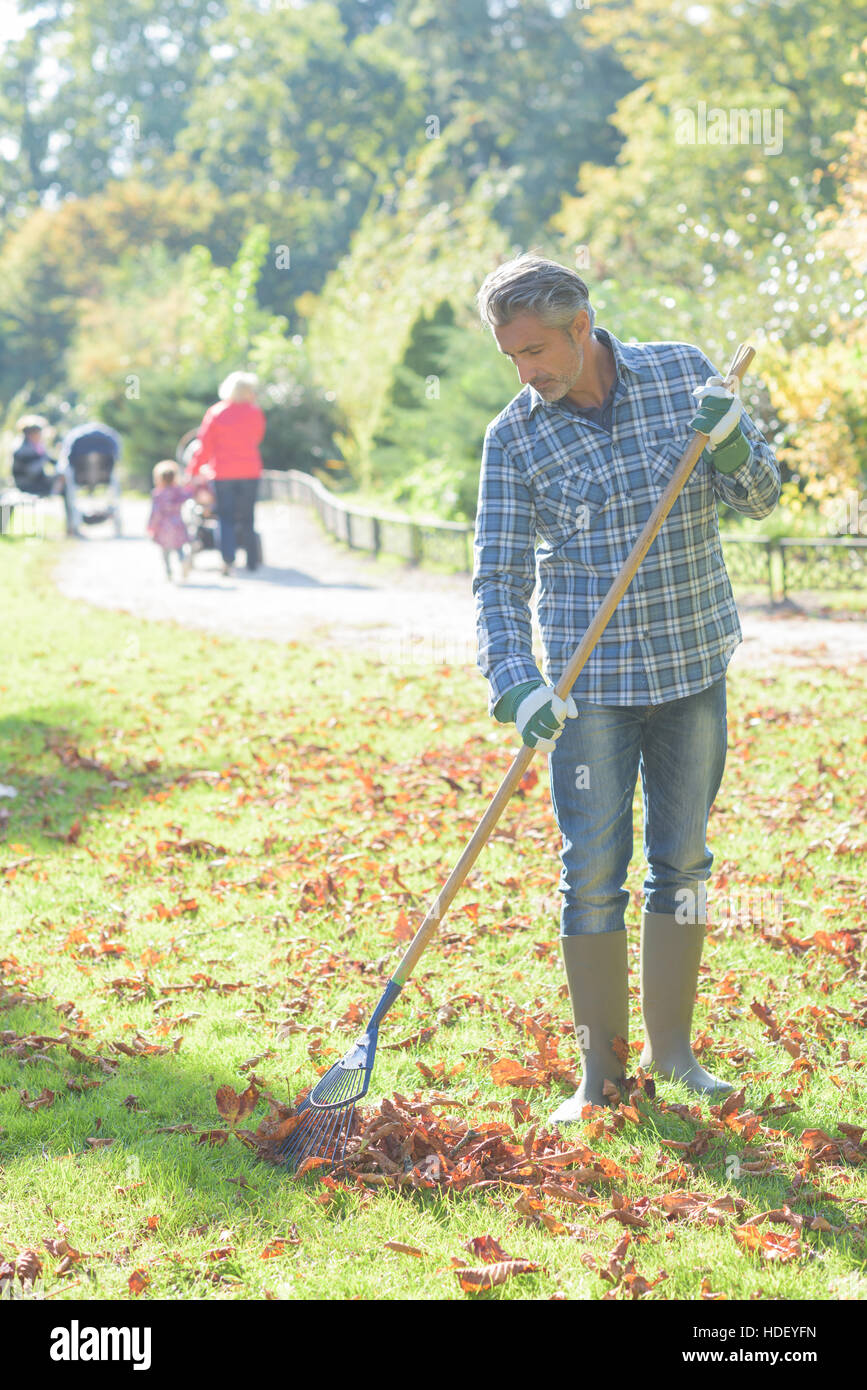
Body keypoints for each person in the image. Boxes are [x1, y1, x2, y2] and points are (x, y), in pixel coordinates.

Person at [472, 254, 781, 1124]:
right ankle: (600, 1080)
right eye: (511, 358)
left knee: (682, 861)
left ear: (580, 326)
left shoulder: (685, 374)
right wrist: (513, 681)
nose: (525, 372)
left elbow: (759, 498)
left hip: (691, 668)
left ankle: (674, 1055)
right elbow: (497, 581)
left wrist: (731, 440)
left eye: (535, 350)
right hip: (588, 689)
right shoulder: (515, 437)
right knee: (592, 874)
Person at [188, 371, 265, 576]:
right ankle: (251, 561)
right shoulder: (255, 412)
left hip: (223, 473)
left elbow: (204, 447)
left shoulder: (216, 412)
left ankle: (228, 559)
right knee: (248, 517)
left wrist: (193, 471)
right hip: (249, 471)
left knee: (225, 517)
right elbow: (257, 437)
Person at [57, 420, 123, 536]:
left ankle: (73, 525)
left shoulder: (76, 439)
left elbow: (66, 459)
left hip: (80, 476)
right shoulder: (108, 441)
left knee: (69, 491)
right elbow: (117, 458)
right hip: (104, 475)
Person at [147, 460, 195, 580]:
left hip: (163, 527)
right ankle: (183, 560)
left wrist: (151, 526)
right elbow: (188, 495)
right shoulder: (177, 491)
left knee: (165, 551)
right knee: (179, 548)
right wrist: (190, 485)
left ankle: (168, 572)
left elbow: (155, 512)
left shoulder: (158, 494)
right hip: (177, 524)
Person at [11, 415, 60, 497]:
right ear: (30, 434)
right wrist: (43, 459)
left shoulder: (37, 446)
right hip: (26, 484)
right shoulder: (22, 449)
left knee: (63, 476)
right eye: (38, 433)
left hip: (37, 481)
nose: (41, 435)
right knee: (60, 481)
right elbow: (31, 471)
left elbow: (51, 460)